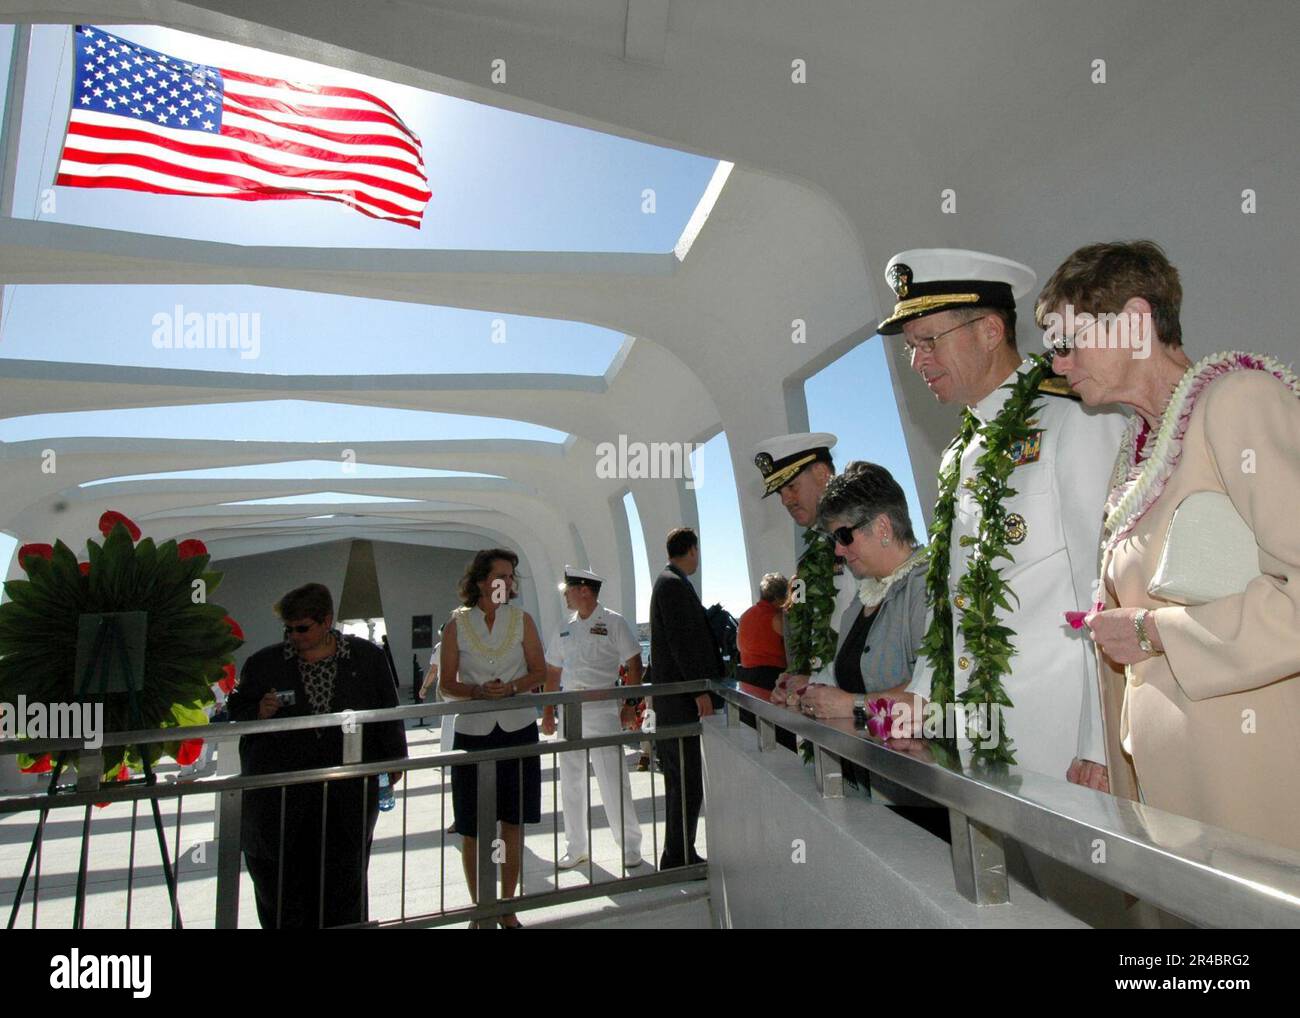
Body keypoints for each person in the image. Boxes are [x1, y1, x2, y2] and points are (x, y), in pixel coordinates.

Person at [1039, 240, 1300, 850]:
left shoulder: (1239, 402)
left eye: (1064, 342)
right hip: (1177, 806)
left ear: (1133, 322)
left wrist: (1159, 633)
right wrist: (1116, 762)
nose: (1056, 364)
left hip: (1257, 798)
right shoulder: (1137, 452)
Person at [883, 249, 1126, 783]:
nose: (919, 361)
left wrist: (1102, 742)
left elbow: (1106, 588)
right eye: (910, 349)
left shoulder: (1077, 420)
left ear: (990, 329)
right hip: (982, 738)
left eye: (929, 341)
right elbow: (952, 599)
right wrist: (921, 700)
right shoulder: (957, 455)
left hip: (1066, 745)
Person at [227, 582, 408, 929]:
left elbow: (387, 711)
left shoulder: (366, 659)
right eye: (289, 629)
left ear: (326, 621)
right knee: (282, 891)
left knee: (344, 884)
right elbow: (236, 710)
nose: (294, 636)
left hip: (346, 797)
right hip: (280, 801)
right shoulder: (264, 664)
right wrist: (257, 710)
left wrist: (394, 760)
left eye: (302, 628)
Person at [438, 549, 546, 928]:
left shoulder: (523, 621)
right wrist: (476, 693)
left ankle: (506, 905)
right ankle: (481, 908)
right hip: (473, 734)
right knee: (472, 827)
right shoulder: (455, 625)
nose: (509, 582)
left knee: (512, 824)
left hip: (517, 729)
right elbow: (445, 683)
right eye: (501, 575)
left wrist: (514, 687)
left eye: (512, 576)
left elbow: (539, 671)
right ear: (482, 581)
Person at [798, 462, 929, 720]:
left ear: (882, 527)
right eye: (834, 539)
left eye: (843, 536)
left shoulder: (927, 587)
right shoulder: (862, 599)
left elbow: (932, 695)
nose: (838, 550)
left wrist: (854, 706)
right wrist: (807, 691)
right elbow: (843, 674)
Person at [542, 566, 644, 870]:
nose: (565, 595)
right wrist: (548, 712)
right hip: (570, 708)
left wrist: (630, 703)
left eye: (568, 589)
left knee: (612, 779)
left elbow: (635, 664)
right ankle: (576, 848)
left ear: (584, 590)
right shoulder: (564, 626)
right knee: (570, 781)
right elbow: (552, 671)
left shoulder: (613, 622)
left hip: (601, 706)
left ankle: (629, 845)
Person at [751, 434, 858, 707]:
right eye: (780, 492)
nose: (785, 500)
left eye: (792, 487)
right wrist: (796, 675)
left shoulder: (859, 537)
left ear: (822, 473)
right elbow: (803, 624)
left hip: (858, 705)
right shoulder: (811, 556)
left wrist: (818, 679)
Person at [648, 526, 724, 870]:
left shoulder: (670, 581)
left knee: (683, 781)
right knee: (685, 780)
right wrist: (698, 689)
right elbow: (682, 643)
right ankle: (678, 856)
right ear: (691, 549)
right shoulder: (673, 584)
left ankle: (678, 853)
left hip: (675, 703)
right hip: (680, 704)